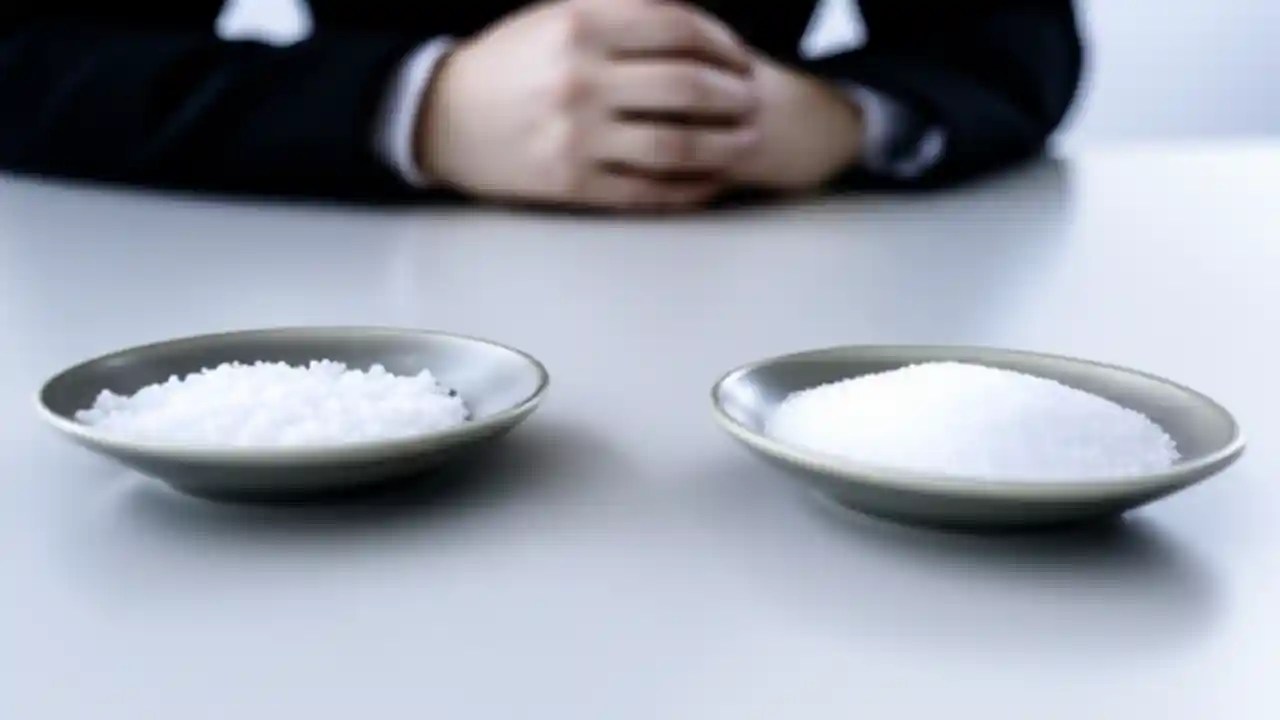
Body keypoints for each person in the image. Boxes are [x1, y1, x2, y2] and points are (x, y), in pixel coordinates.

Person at [0, 1, 1082, 209]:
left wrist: (838, 117)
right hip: (342, 248)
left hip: (764, 241)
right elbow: (37, 53)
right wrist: (414, 107)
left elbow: (1014, 38)